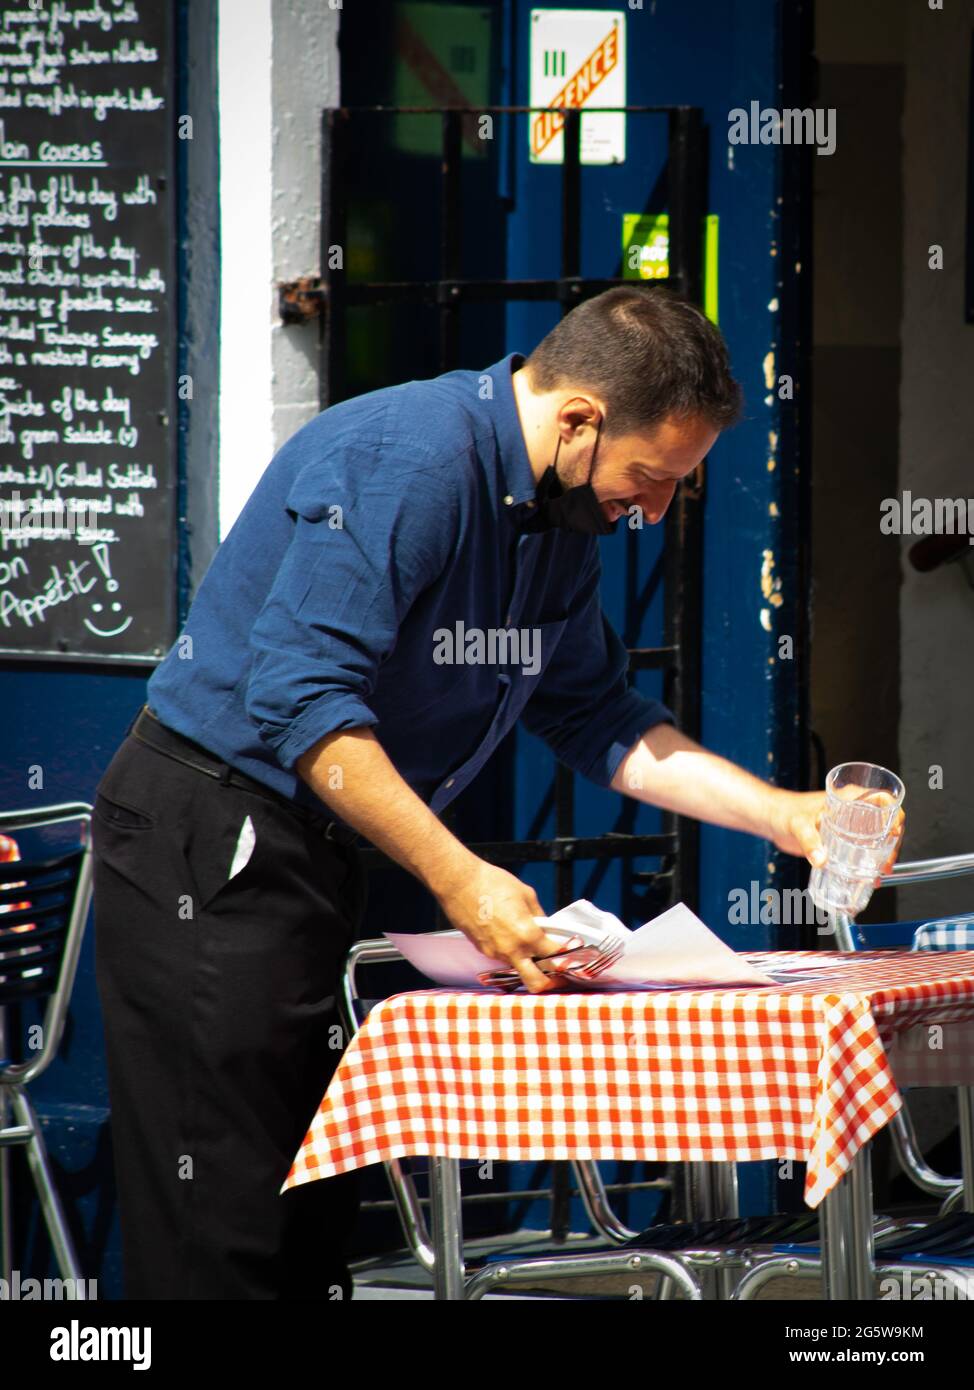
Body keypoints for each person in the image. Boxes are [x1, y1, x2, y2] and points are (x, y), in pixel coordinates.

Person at [91, 285, 874, 1300]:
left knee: (312, 1216)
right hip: (212, 832)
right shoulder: (411, 460)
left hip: (315, 847)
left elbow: (594, 714)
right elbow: (302, 701)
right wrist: (459, 877)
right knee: (226, 1223)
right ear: (579, 420)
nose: (653, 511)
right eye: (650, 477)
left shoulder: (558, 515)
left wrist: (784, 813)